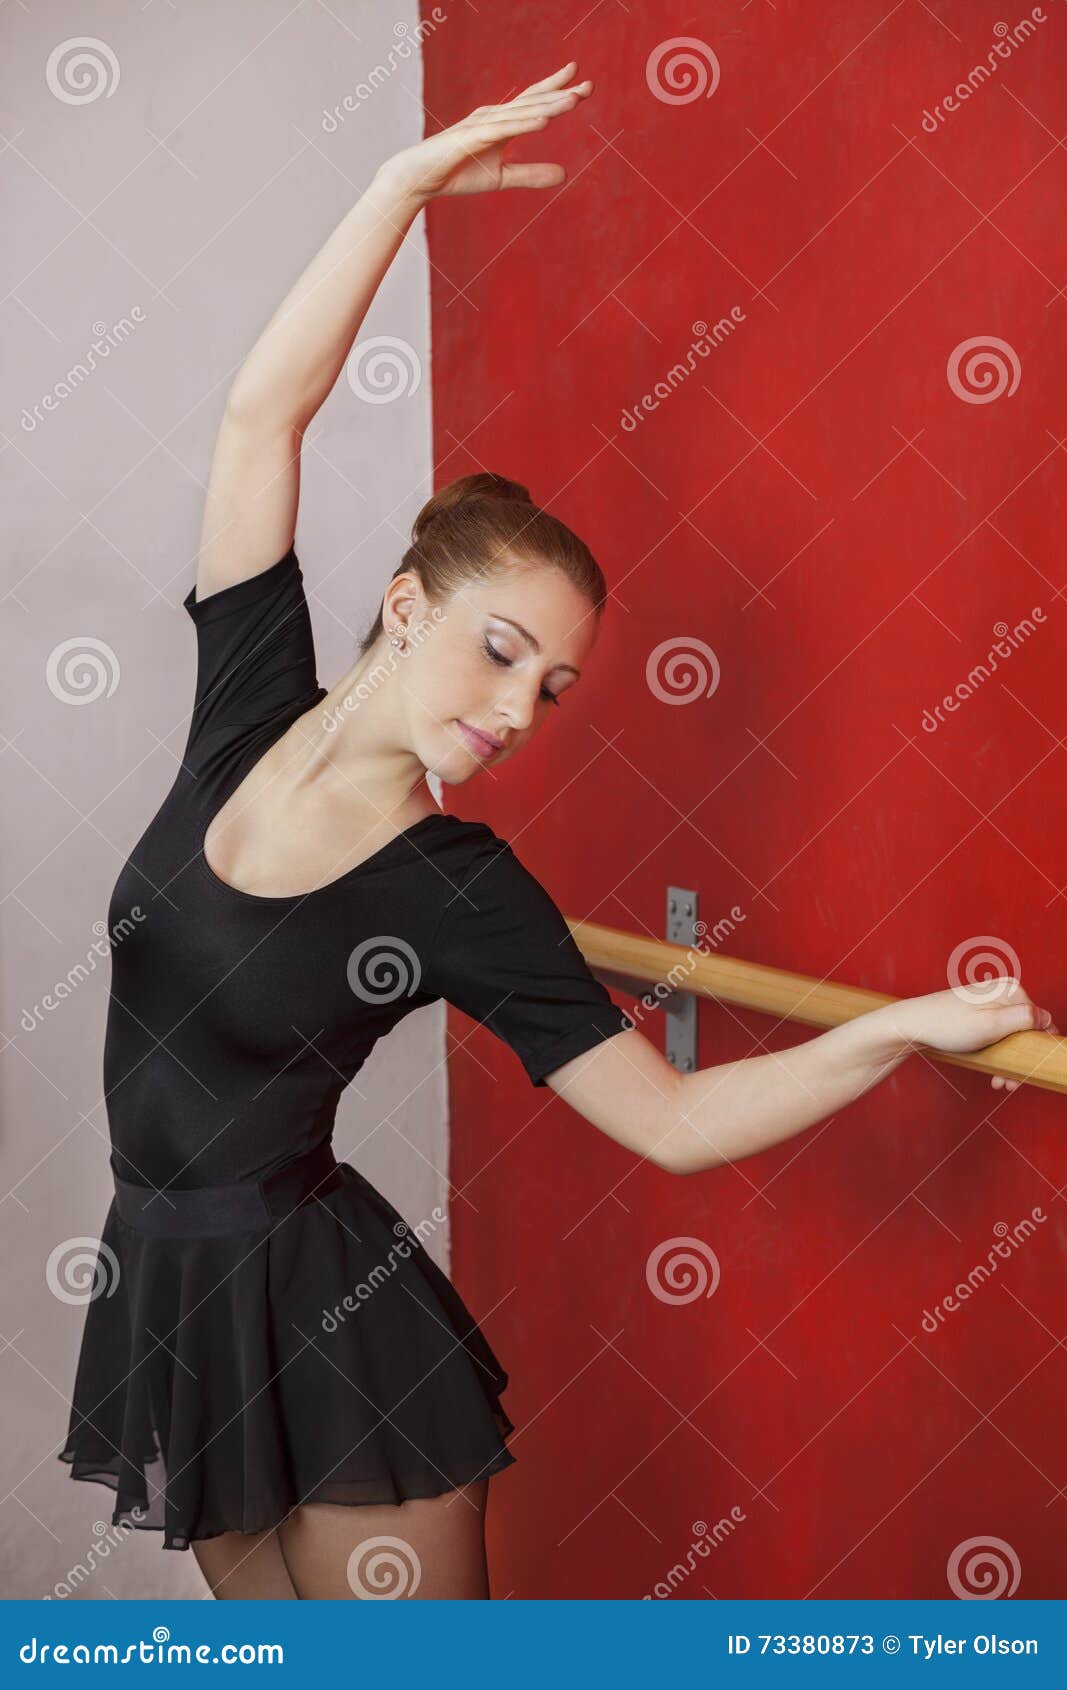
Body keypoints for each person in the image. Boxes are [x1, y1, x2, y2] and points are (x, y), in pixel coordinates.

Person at [56, 61, 1054, 1601]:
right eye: (501, 650)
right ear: (406, 606)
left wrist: (903, 1027)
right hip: (173, 1299)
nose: (523, 709)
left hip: (333, 1333)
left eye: (558, 685)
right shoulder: (246, 701)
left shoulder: (458, 889)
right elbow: (269, 412)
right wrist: (396, 186)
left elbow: (671, 1122)